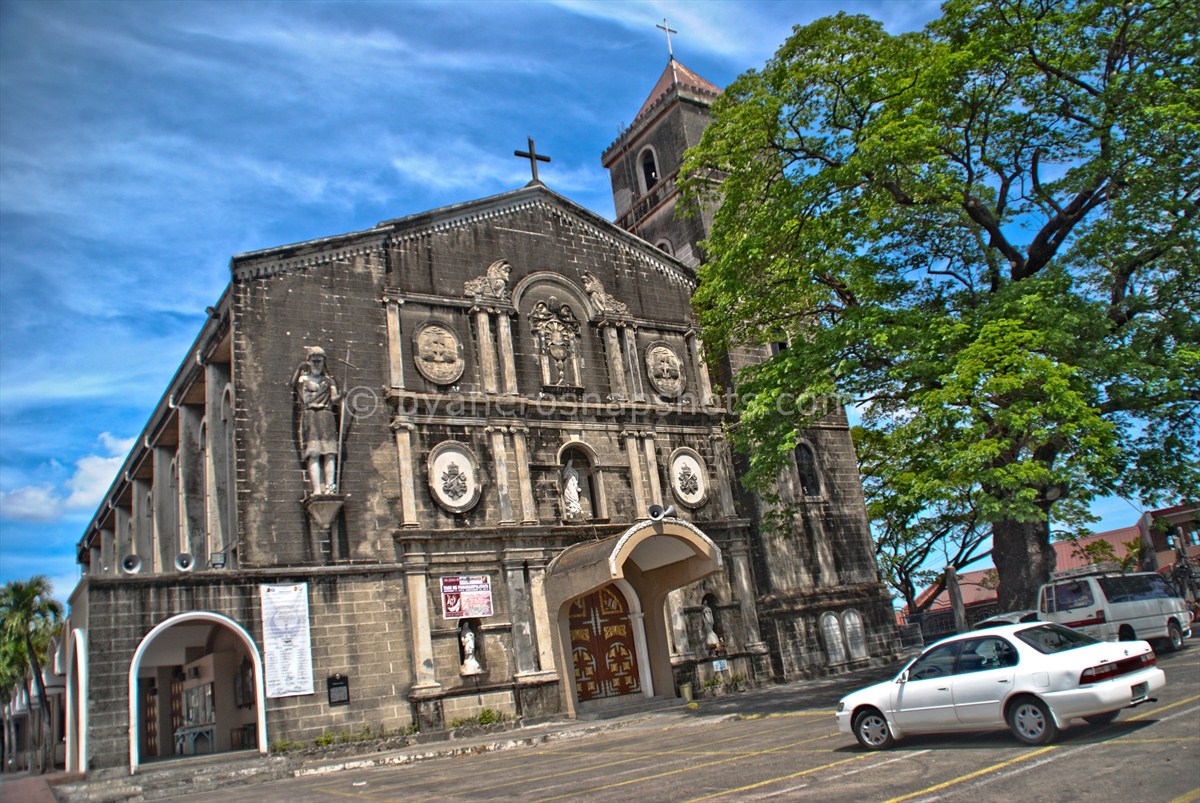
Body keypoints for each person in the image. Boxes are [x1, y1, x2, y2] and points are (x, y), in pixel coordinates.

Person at [295, 346, 341, 495]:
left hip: (326, 415)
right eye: (314, 361)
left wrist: (342, 395)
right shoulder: (303, 379)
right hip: (311, 415)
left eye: (319, 361)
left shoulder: (329, 381)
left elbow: (334, 399)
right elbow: (295, 385)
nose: (317, 364)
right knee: (313, 452)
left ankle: (330, 488)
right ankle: (316, 490)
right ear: (309, 362)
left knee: (329, 452)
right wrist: (298, 369)